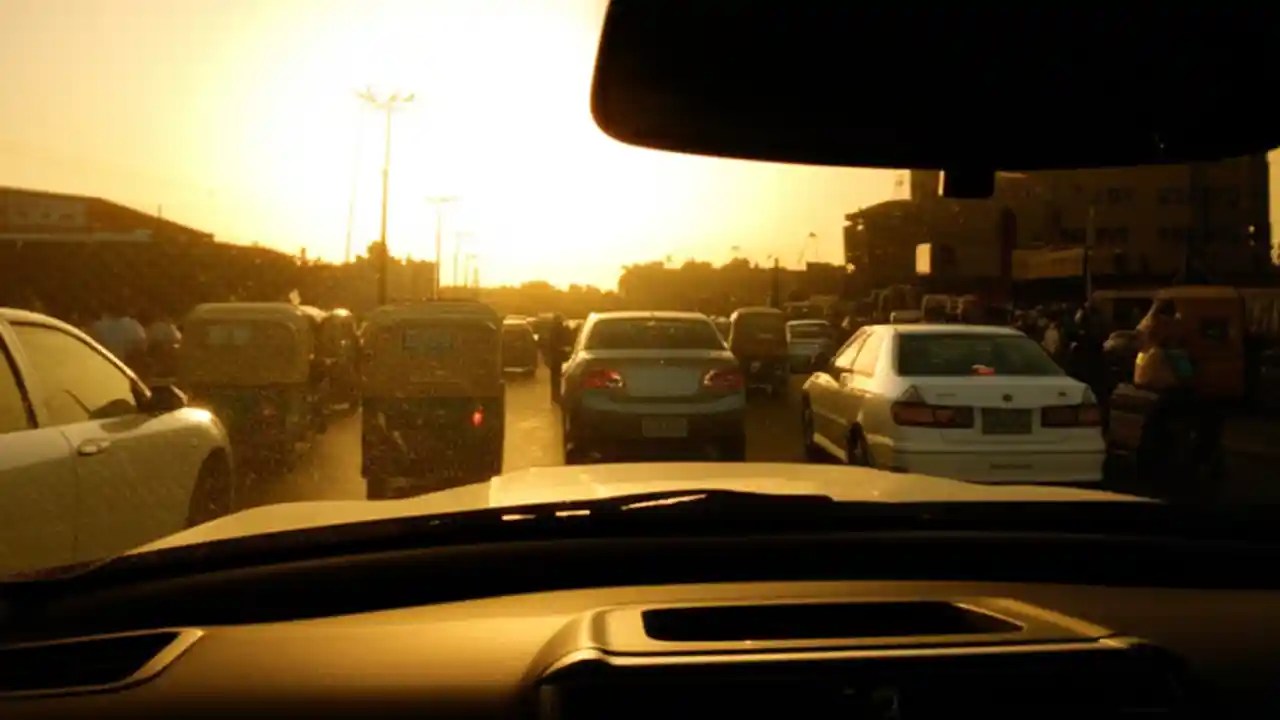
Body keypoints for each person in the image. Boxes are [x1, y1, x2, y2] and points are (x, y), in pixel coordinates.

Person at [89, 298, 148, 371]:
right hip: (125, 372)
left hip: (101, 369)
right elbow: (141, 356)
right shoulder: (136, 328)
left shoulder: (96, 328)